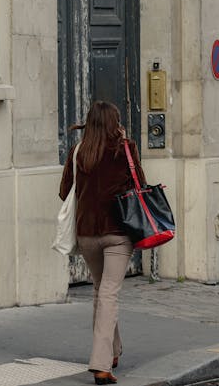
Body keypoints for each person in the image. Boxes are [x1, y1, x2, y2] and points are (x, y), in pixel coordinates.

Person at [58, 101, 145, 385]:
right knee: (108, 293)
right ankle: (101, 365)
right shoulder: (125, 149)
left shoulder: (78, 151)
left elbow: (63, 193)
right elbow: (140, 184)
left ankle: (113, 350)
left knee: (102, 291)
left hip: (87, 235)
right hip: (117, 232)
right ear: (114, 123)